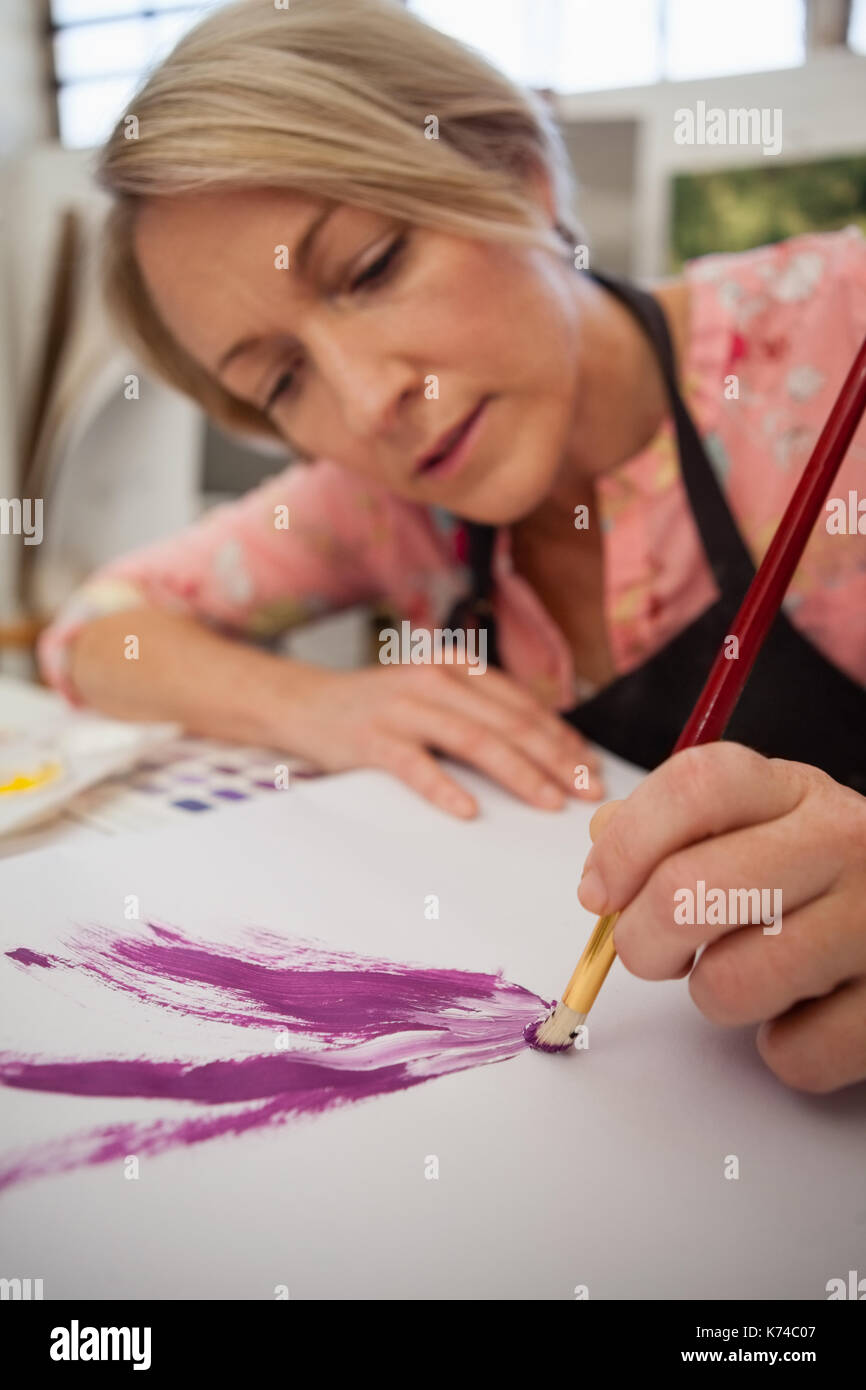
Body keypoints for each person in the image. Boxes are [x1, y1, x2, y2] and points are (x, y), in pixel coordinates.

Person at [38, 0, 866, 1091]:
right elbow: (97, 631)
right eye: (280, 379)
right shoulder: (381, 505)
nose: (371, 401)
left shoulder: (831, 342)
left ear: (518, 175)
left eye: (372, 266)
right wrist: (318, 705)